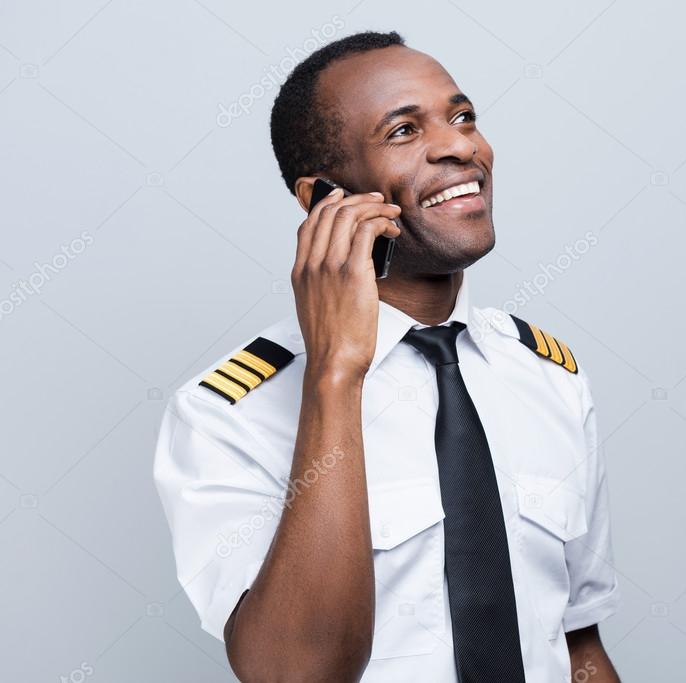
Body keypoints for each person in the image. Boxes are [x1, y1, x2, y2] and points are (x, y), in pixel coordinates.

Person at [153, 30, 621, 683]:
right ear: (322, 198)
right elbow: (295, 672)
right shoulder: (226, 414)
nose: (460, 145)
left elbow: (578, 648)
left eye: (462, 118)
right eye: (403, 131)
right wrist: (334, 373)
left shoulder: (548, 375)